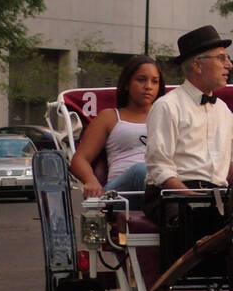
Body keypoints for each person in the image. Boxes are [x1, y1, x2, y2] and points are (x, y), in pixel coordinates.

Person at [144, 26, 233, 218]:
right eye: (222, 58)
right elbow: (159, 168)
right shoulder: (167, 106)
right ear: (198, 65)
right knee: (204, 222)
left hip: (215, 195)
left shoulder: (222, 110)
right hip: (172, 194)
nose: (229, 65)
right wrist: (192, 198)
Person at [69, 55, 164, 206]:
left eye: (155, 81)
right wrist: (91, 180)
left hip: (161, 184)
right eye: (141, 79)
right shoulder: (110, 117)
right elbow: (79, 159)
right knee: (143, 170)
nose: (148, 86)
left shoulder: (168, 116)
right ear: (126, 84)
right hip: (119, 193)